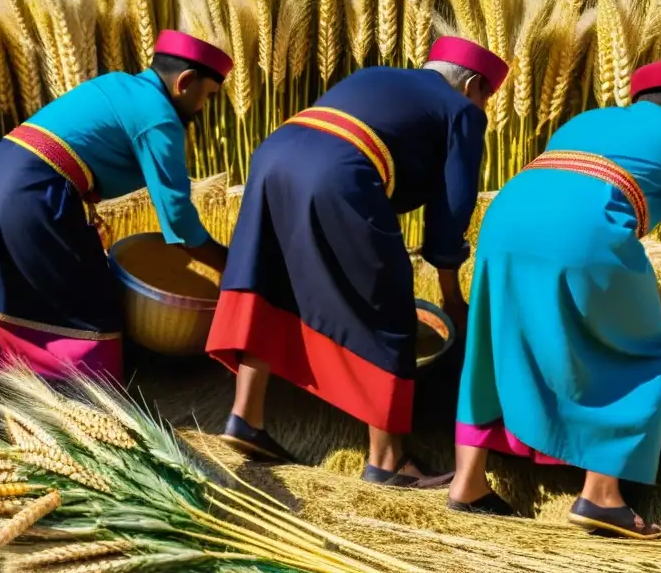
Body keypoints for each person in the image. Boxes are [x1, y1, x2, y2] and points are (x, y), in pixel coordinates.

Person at [447, 59, 661, 537]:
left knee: (495, 344)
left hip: (504, 220)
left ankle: (466, 484)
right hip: (584, 235)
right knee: (635, 353)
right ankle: (601, 497)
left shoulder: (586, 119)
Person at [205, 36, 508, 487]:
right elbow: (452, 208)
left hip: (273, 156)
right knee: (385, 301)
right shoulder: (461, 109)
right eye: (486, 96)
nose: (483, 106)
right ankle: (387, 461)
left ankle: (244, 417)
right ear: (471, 84)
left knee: (271, 280)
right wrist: (452, 296)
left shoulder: (374, 74)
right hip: (338, 171)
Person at [0, 30, 232, 397]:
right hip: (31, 196)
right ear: (186, 82)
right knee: (92, 310)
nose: (204, 106)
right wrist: (229, 266)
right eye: (208, 95)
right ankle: (80, 403)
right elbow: (178, 219)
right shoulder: (159, 117)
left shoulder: (117, 83)